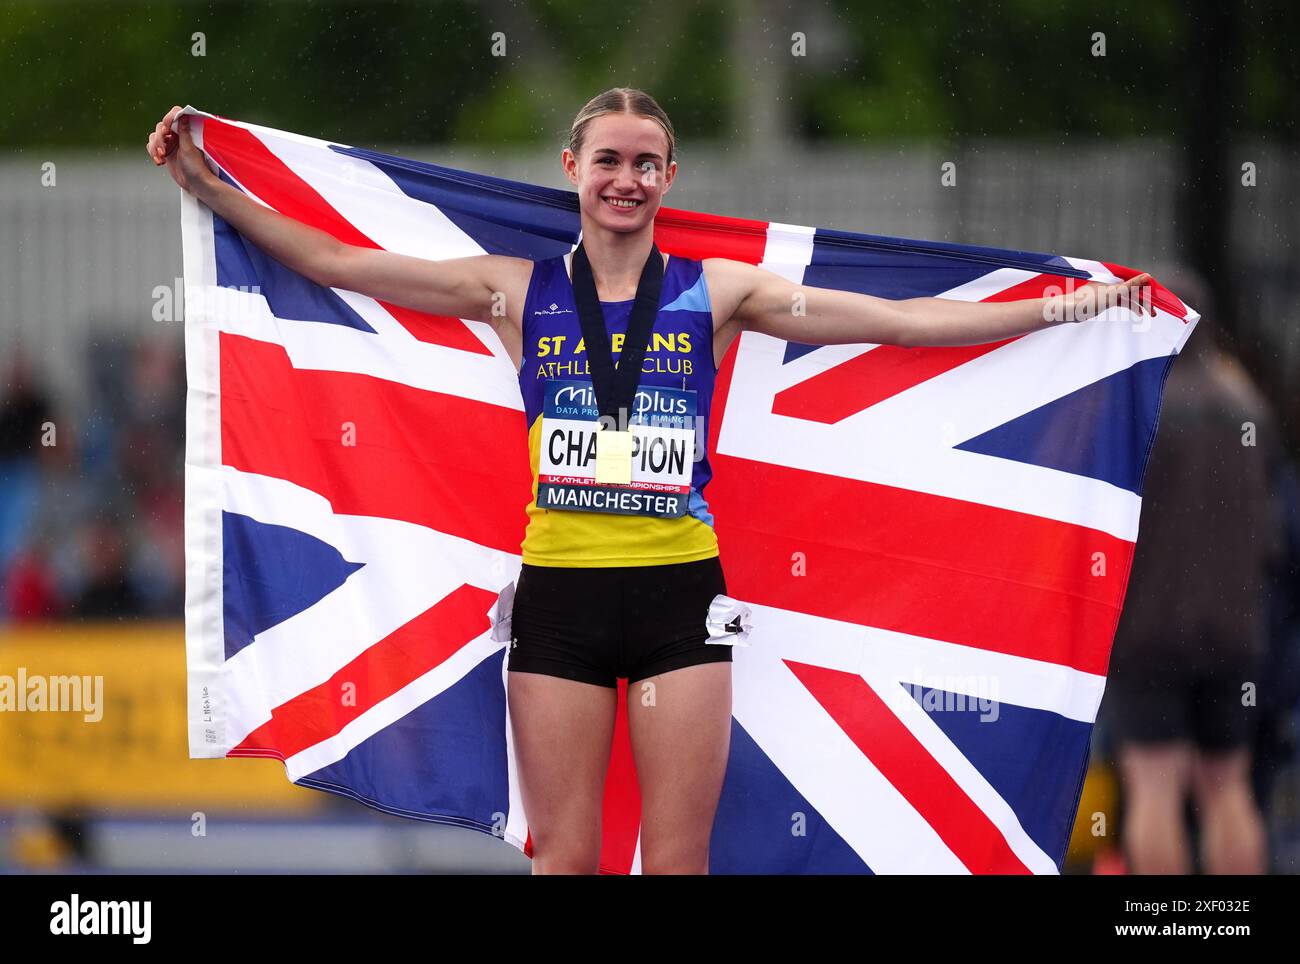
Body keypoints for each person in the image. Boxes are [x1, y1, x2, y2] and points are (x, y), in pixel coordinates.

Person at [147, 87, 1155, 874]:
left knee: (677, 861)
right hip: (559, 605)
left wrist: (1065, 311)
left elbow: (899, 324)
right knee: (567, 856)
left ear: (670, 175)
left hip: (684, 600)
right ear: (571, 169)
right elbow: (335, 260)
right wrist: (208, 184)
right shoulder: (512, 290)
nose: (624, 180)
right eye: (606, 162)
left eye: (644, 164)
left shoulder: (716, 292)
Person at [1101, 264, 1284, 874]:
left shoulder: (1140, 406)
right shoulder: (1247, 406)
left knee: (1154, 787)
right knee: (1225, 786)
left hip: (1149, 630)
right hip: (1235, 631)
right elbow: (1272, 527)